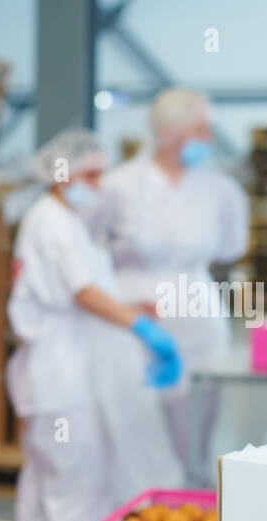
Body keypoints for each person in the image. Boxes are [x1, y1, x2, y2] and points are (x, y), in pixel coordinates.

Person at [7, 128, 184, 521]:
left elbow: (88, 289)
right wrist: (138, 327)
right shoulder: (49, 221)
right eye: (90, 175)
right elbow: (82, 293)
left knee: (47, 482)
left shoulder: (67, 221)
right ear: (61, 172)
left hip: (69, 374)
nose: (97, 186)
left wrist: (134, 307)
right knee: (74, 488)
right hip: (59, 381)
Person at [90, 88, 250, 485]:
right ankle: (140, 511)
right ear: (169, 131)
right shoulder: (118, 186)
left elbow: (232, 247)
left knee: (198, 424)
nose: (207, 137)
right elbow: (89, 253)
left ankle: (193, 503)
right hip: (137, 315)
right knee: (139, 425)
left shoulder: (220, 189)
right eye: (200, 128)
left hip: (198, 312)